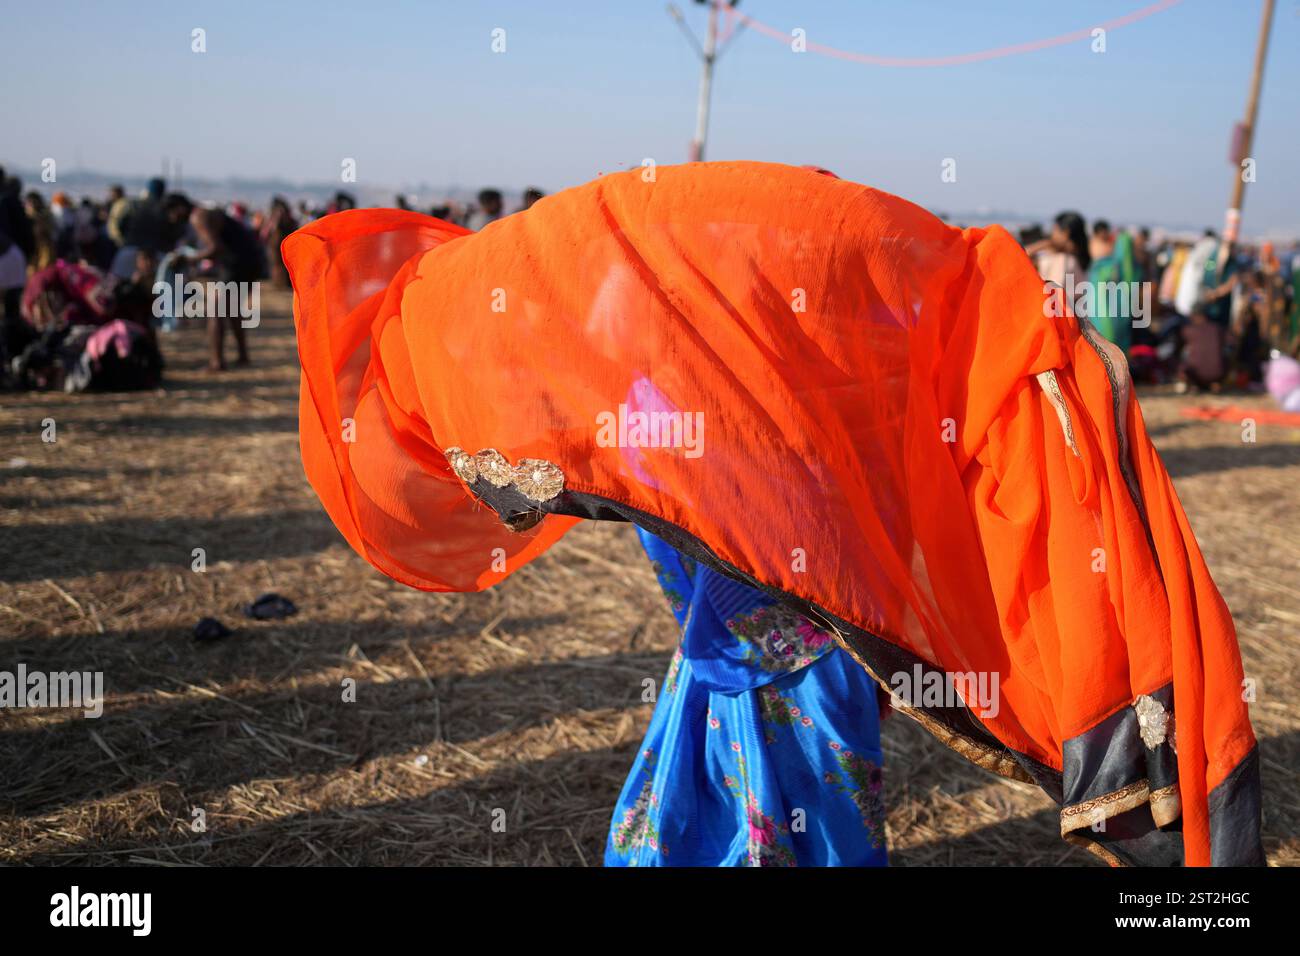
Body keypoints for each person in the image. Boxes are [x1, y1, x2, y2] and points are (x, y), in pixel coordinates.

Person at [282, 162, 1262, 867]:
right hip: (773, 590)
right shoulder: (660, 393)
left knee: (801, 720)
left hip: (797, 586)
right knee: (763, 712)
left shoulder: (709, 386)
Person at [163, 193, 264, 370]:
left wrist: (188, 259)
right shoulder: (204, 213)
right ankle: (243, 356)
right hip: (249, 260)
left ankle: (217, 362)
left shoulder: (198, 217)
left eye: (171, 213)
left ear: (179, 208)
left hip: (238, 262)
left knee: (215, 310)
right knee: (232, 309)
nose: (171, 219)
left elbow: (215, 248)